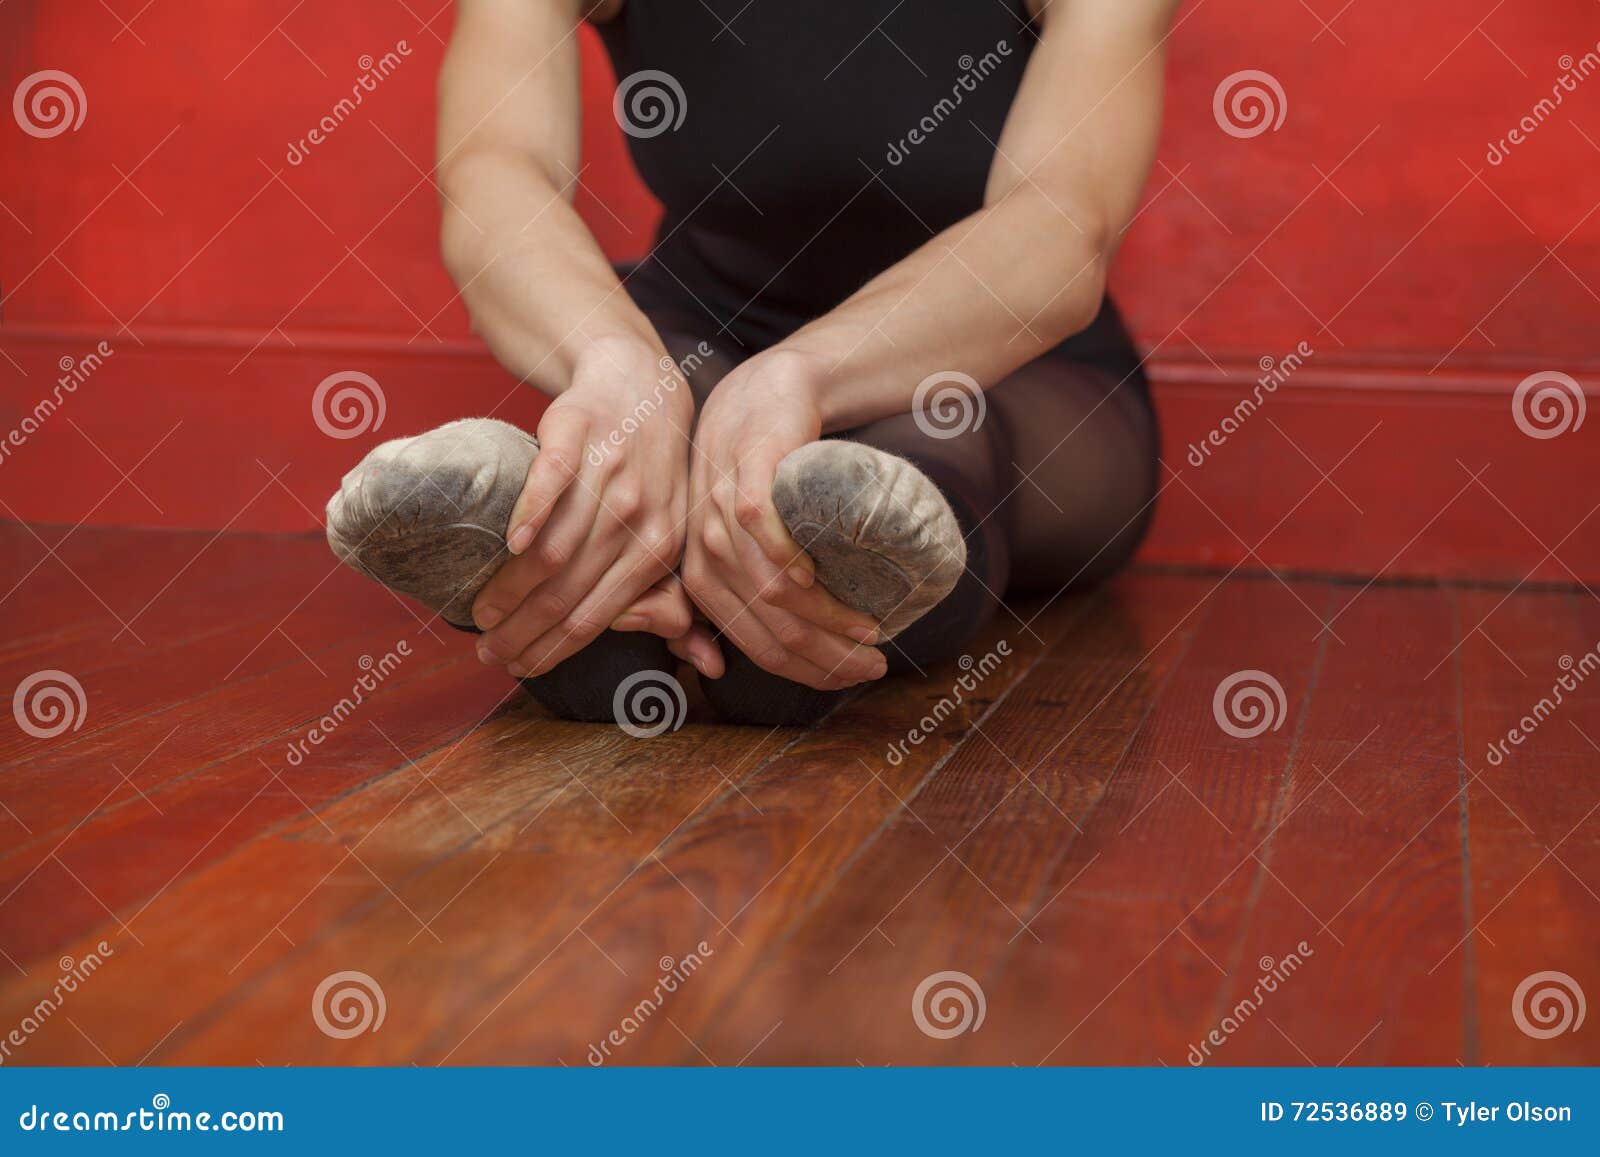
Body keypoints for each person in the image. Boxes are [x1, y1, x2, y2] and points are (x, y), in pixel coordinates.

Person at [326, 0, 1174, 727]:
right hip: (705, 326)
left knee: (922, 441)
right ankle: (595, 570)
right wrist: (617, 363)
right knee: (655, 411)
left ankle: (730, 599)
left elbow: (1064, 222)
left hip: (1001, 360)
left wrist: (799, 372)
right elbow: (496, 168)